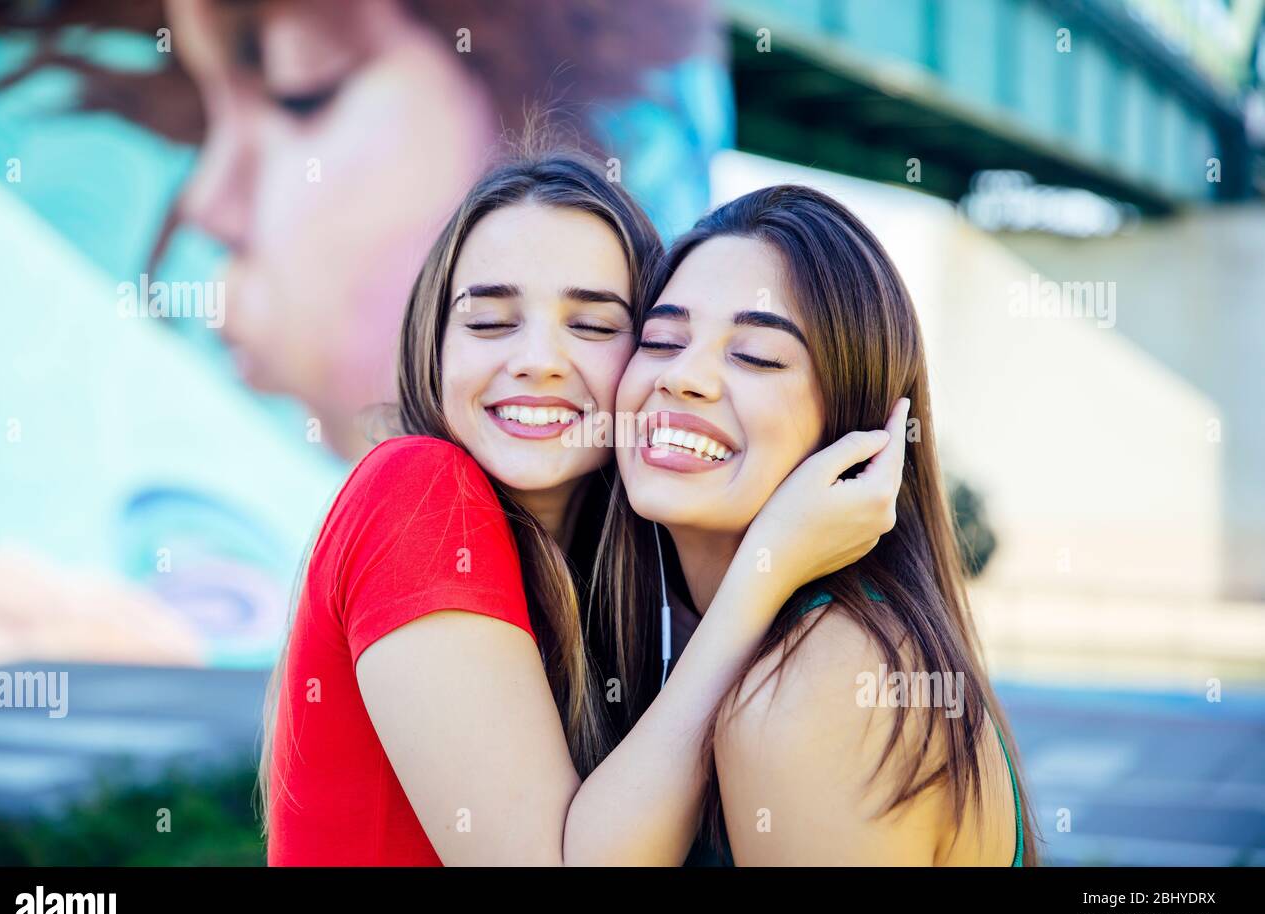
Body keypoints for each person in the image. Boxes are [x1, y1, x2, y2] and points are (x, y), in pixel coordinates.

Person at [262, 153, 908, 865]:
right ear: (434, 346)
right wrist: (767, 569)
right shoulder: (418, 490)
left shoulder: (610, 587)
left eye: (595, 327)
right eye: (489, 321)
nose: (538, 359)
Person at [612, 184, 1037, 865]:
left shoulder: (824, 688)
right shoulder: (724, 641)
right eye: (662, 339)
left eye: (755, 356)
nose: (683, 375)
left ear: (857, 430)